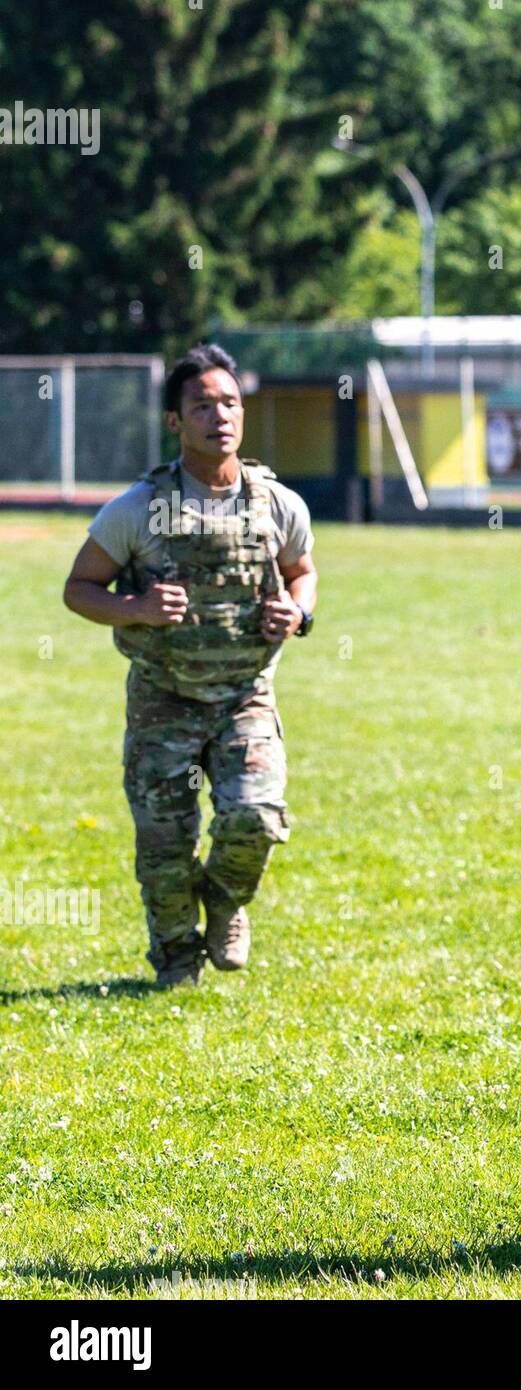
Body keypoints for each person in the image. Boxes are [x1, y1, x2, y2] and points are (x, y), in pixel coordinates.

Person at [63, 343, 317, 986]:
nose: (219, 415)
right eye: (201, 405)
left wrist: (297, 611)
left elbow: (303, 573)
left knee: (255, 816)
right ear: (175, 421)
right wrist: (138, 607)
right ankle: (176, 955)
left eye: (229, 402)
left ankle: (227, 901)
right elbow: (79, 588)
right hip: (163, 699)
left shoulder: (277, 503)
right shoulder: (137, 508)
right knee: (165, 847)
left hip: (244, 696)